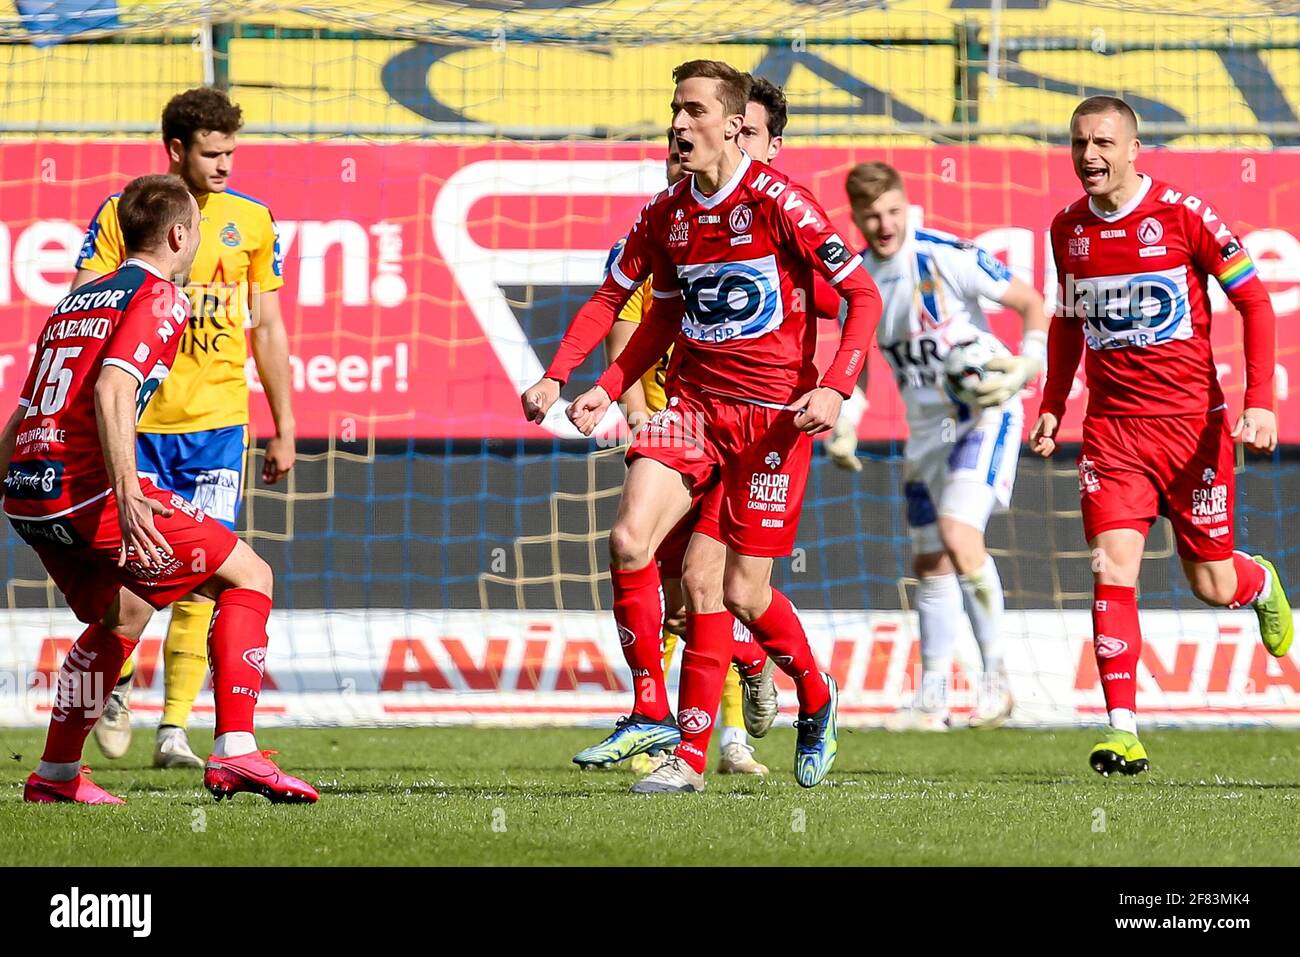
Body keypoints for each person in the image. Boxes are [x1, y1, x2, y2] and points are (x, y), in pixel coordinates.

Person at [543, 59, 882, 793]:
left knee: (736, 593)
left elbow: (860, 293)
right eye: (674, 110)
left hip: (771, 424)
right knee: (630, 538)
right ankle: (658, 725)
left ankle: (815, 692)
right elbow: (644, 305)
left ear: (733, 126)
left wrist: (835, 387)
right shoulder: (667, 211)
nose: (677, 124)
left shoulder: (780, 202)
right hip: (692, 406)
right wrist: (599, 383)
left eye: (693, 110)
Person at [0, 174, 315, 805]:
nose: (198, 242)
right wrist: (128, 490)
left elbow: (26, 406)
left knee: (126, 613)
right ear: (179, 234)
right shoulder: (162, 296)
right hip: (90, 493)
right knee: (251, 577)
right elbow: (113, 389)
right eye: (197, 231)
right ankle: (237, 753)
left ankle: (57, 775)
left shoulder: (75, 302)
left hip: (28, 493)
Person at [1030, 95, 1292, 776]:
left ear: (1134, 148)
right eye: (1079, 143)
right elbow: (1065, 320)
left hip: (1191, 430)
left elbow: (1256, 303)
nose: (1089, 156)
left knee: (1211, 581)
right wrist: (1054, 403)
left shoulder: (1183, 216)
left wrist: (1257, 401)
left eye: (1104, 143)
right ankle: (1123, 729)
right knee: (1111, 570)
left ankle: (1259, 582)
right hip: (1113, 434)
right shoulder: (1066, 229)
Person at [74, 87, 296, 769]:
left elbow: (267, 326)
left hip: (217, 427)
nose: (225, 165)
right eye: (211, 152)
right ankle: (115, 682)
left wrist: (285, 423)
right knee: (136, 574)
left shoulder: (252, 221)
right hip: (136, 426)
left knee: (208, 572)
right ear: (175, 150)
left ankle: (174, 729)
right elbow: (88, 303)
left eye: (231, 152)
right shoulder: (125, 214)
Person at [606, 77, 796, 779]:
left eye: (700, 123)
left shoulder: (776, 217)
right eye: (672, 133)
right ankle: (734, 674)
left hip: (747, 427)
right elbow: (627, 319)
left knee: (710, 589)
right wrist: (626, 405)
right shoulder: (661, 228)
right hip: (676, 427)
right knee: (671, 587)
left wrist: (831, 391)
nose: (681, 144)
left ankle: (713, 740)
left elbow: (821, 314)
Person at [831, 161, 1048, 730]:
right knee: (929, 561)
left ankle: (997, 684)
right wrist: (848, 416)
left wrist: (1029, 361)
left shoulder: (944, 255)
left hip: (984, 413)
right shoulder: (857, 282)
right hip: (926, 432)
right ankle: (931, 699)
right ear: (855, 217)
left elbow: (1031, 304)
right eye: (872, 216)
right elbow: (863, 360)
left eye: (893, 212)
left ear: (908, 206)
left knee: (958, 535)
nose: (885, 225)